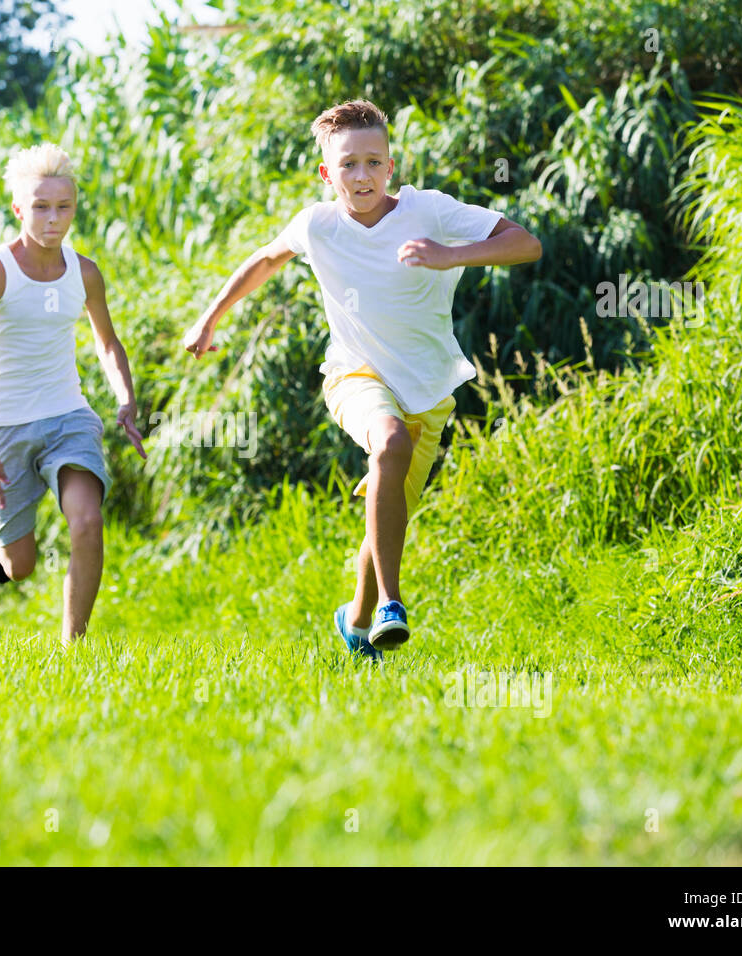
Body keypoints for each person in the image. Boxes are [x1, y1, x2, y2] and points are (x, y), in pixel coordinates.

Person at [183, 99, 541, 659]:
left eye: (374, 162)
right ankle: (393, 606)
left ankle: (356, 621)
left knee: (388, 506)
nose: (362, 175)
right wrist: (210, 318)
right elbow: (266, 260)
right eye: (348, 164)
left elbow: (525, 243)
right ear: (327, 174)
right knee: (389, 442)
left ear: (391, 167)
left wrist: (452, 256)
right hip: (354, 372)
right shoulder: (318, 225)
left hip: (427, 387)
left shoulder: (430, 212)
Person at [0, 143, 146, 648]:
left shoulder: (84, 273)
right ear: (18, 209)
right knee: (21, 567)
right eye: (40, 207)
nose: (53, 218)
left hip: (67, 417)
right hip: (2, 427)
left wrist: (124, 397)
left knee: (87, 520)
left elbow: (107, 342)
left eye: (63, 207)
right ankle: (3, 547)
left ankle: (73, 646)